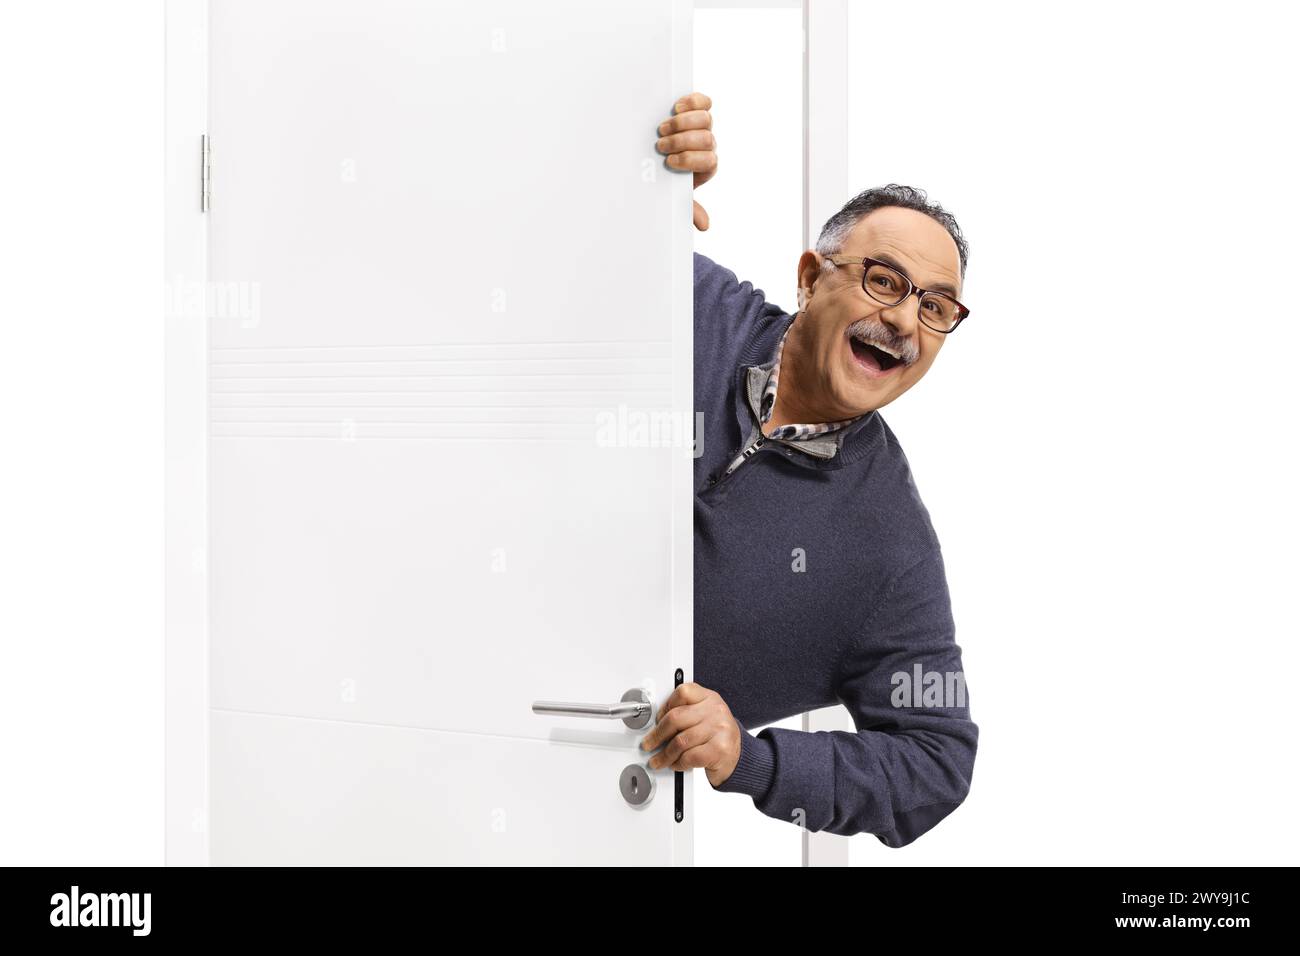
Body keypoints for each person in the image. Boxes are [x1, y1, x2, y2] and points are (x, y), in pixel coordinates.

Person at [642, 92, 978, 846]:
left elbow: (936, 762)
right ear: (809, 277)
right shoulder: (684, 305)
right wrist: (640, 194)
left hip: (586, 792)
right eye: (885, 281)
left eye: (936, 308)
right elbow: (524, 254)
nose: (902, 321)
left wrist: (751, 759)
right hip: (430, 651)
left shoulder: (889, 545)